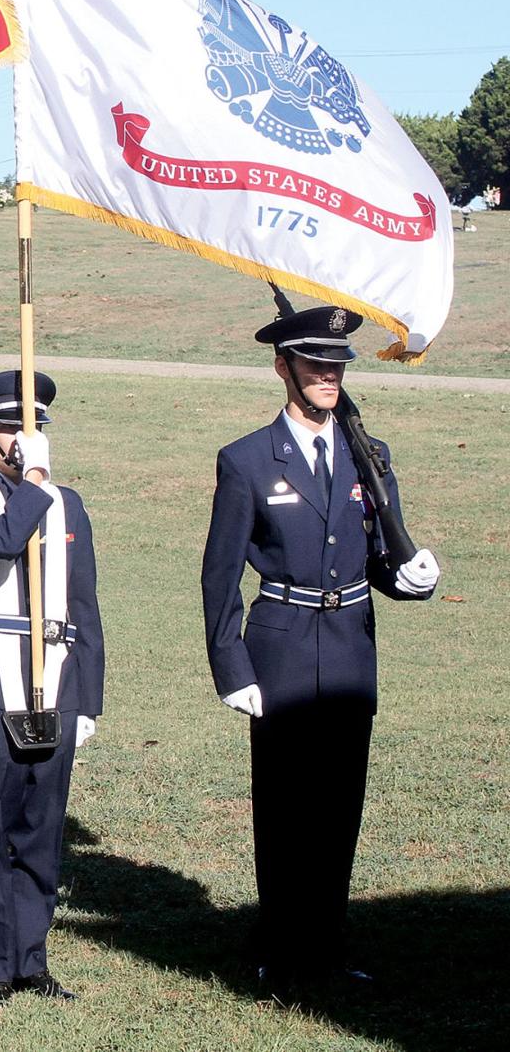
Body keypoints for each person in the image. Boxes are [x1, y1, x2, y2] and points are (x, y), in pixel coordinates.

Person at [201, 304, 441, 991]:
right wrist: (231, 665)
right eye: (315, 364)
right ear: (284, 368)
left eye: (337, 365)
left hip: (348, 647)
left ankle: (328, 949)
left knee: (339, 807)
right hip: (280, 646)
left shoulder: (369, 453)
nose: (329, 376)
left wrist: (410, 577)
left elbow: (380, 556)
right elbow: (220, 574)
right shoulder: (248, 459)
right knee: (284, 808)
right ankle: (279, 950)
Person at [0, 371, 104, 1007]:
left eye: (31, 427)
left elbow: (84, 604)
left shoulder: (69, 503)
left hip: (57, 675)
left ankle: (31, 957)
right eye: (8, 428)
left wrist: (88, 698)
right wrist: (33, 481)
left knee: (41, 827)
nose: (21, 438)